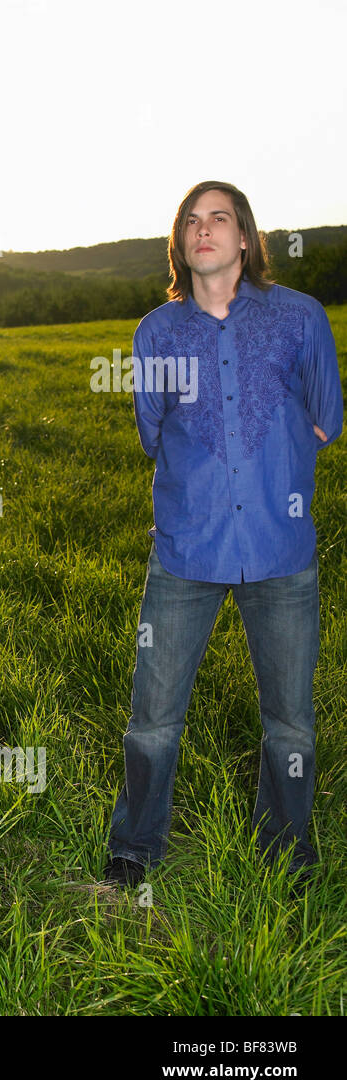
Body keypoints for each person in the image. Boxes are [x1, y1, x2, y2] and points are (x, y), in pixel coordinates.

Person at [102, 181, 342, 891]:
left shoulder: (301, 319)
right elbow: (155, 433)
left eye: (220, 218)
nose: (204, 229)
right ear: (180, 243)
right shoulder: (155, 332)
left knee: (291, 723)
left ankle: (287, 852)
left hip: (281, 551)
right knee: (152, 720)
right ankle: (136, 850)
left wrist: (278, 474)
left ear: (245, 238)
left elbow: (326, 417)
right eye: (191, 220)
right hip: (186, 552)